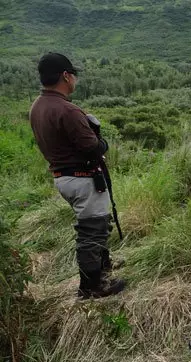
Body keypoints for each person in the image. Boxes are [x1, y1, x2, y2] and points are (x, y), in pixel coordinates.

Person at [29, 52, 125, 299]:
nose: (75, 80)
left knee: (95, 227)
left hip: (63, 177)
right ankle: (92, 288)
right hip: (83, 179)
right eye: (73, 75)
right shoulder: (67, 110)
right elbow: (91, 147)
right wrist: (101, 141)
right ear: (65, 76)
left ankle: (102, 273)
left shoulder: (38, 106)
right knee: (92, 231)